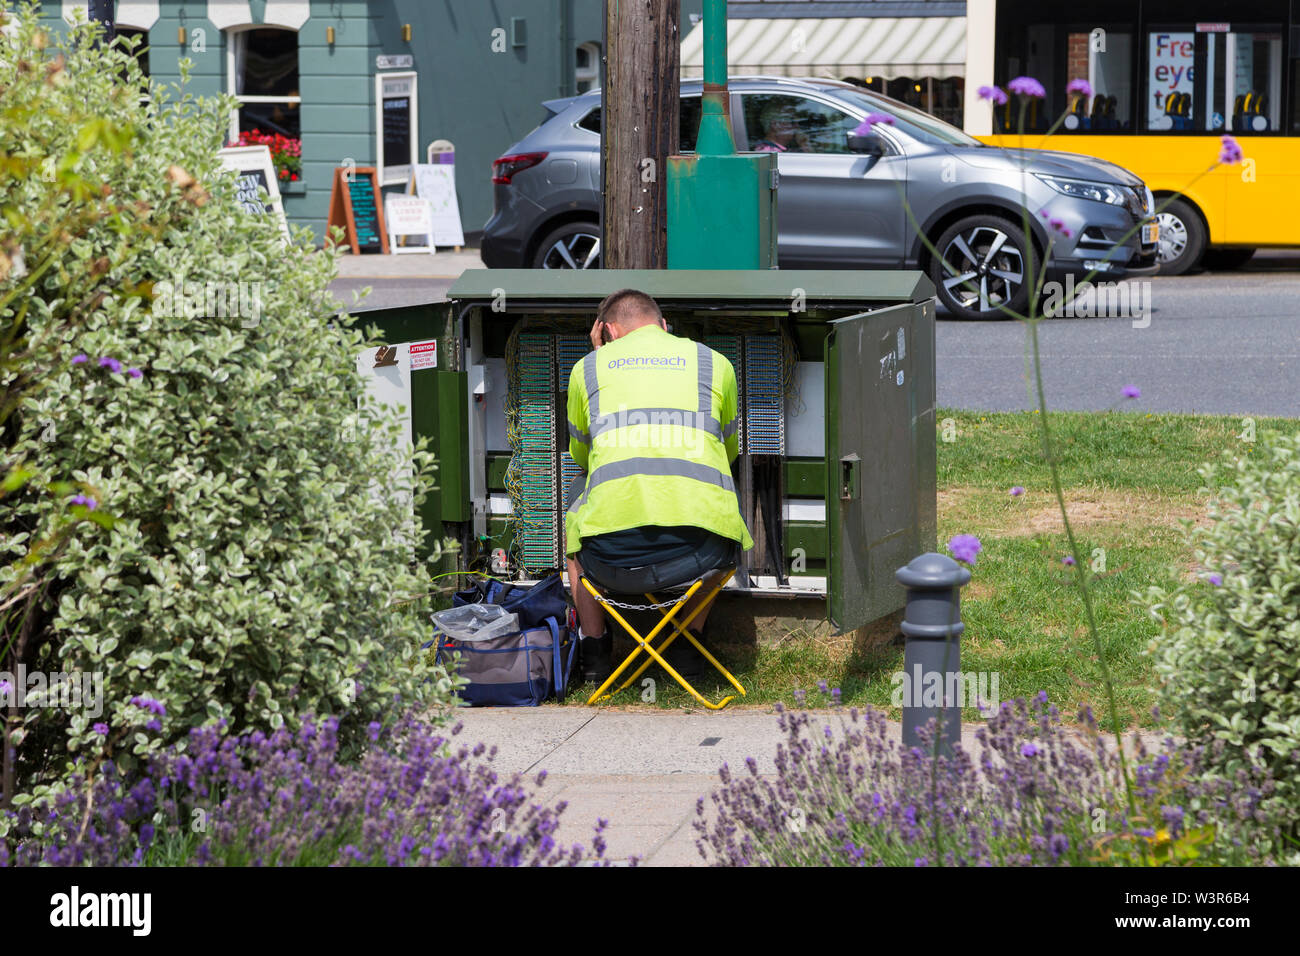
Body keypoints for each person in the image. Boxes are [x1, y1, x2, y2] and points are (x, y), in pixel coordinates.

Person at [565, 289, 753, 685]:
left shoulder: (588, 369)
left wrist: (600, 354)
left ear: (607, 331)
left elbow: (584, 457)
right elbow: (729, 449)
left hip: (608, 559)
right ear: (664, 326)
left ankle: (594, 654)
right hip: (701, 556)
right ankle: (687, 646)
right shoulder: (713, 364)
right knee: (719, 501)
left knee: (576, 501)